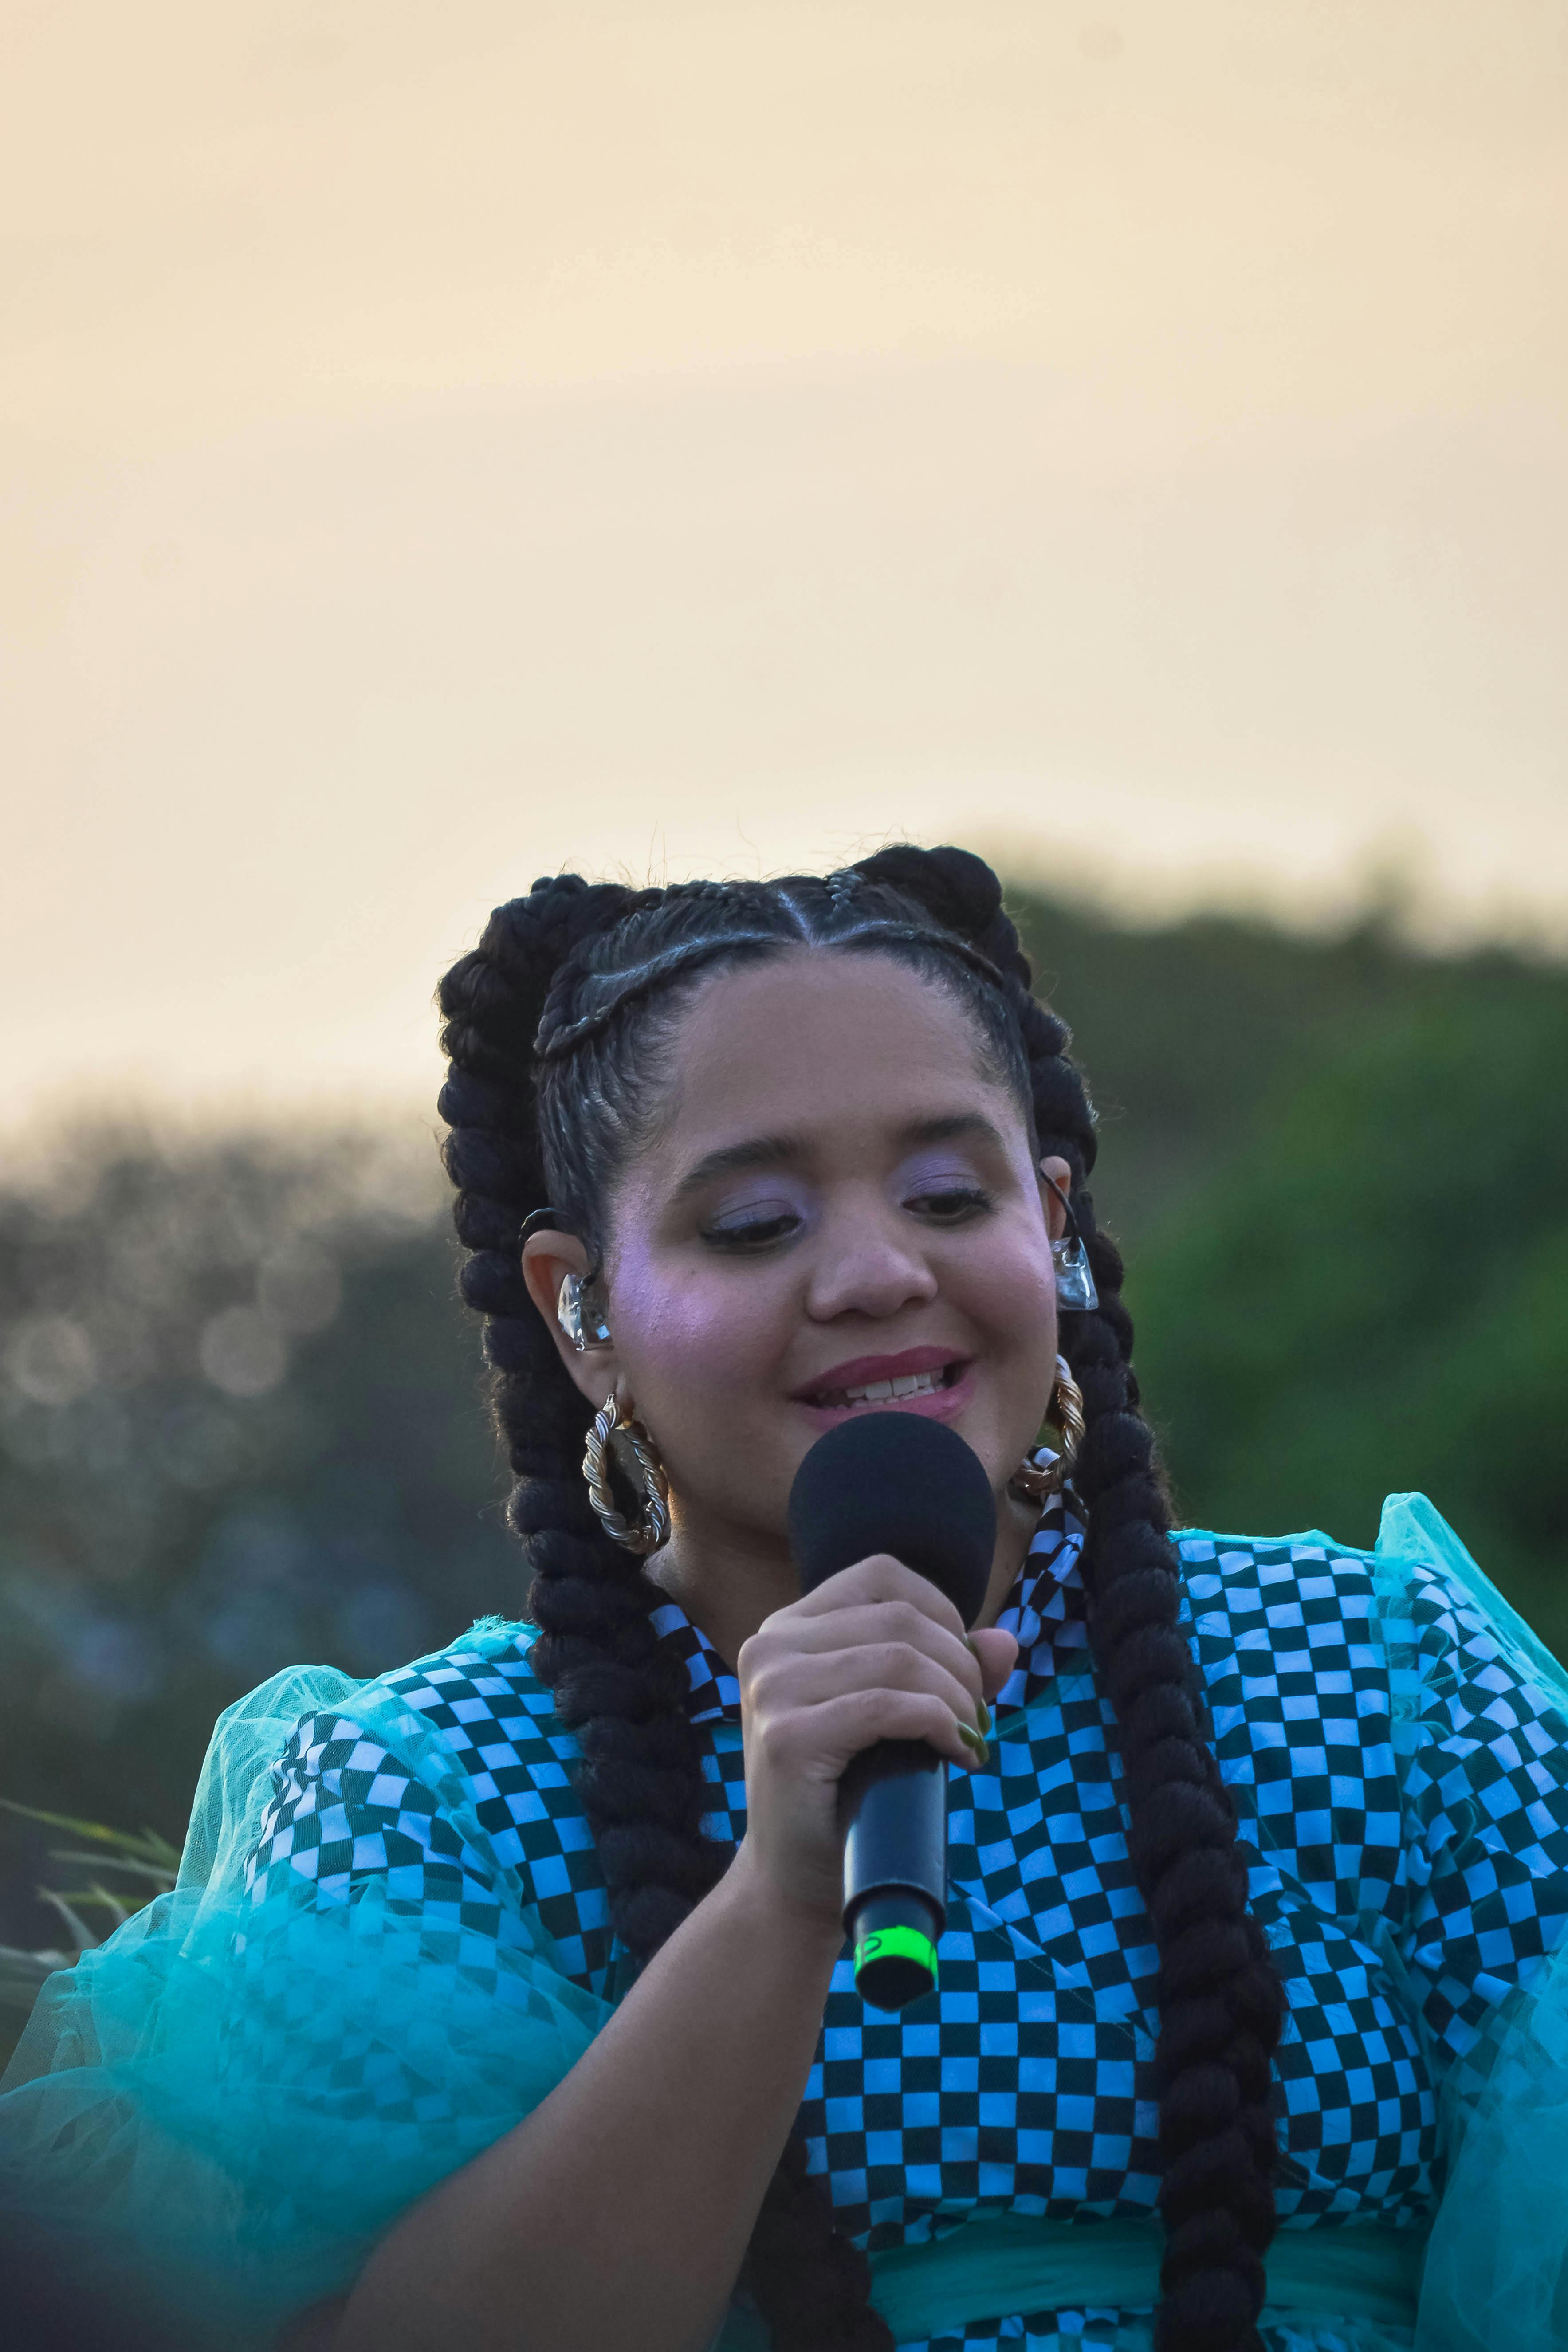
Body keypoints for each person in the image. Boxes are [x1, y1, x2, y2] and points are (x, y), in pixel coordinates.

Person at [4, 846, 1567, 2352]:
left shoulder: (1379, 1681)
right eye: (756, 1224)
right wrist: (777, 1897)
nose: (878, 1272)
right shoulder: (433, 1799)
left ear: (1059, 1223)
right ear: (583, 1311)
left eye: (952, 1196)